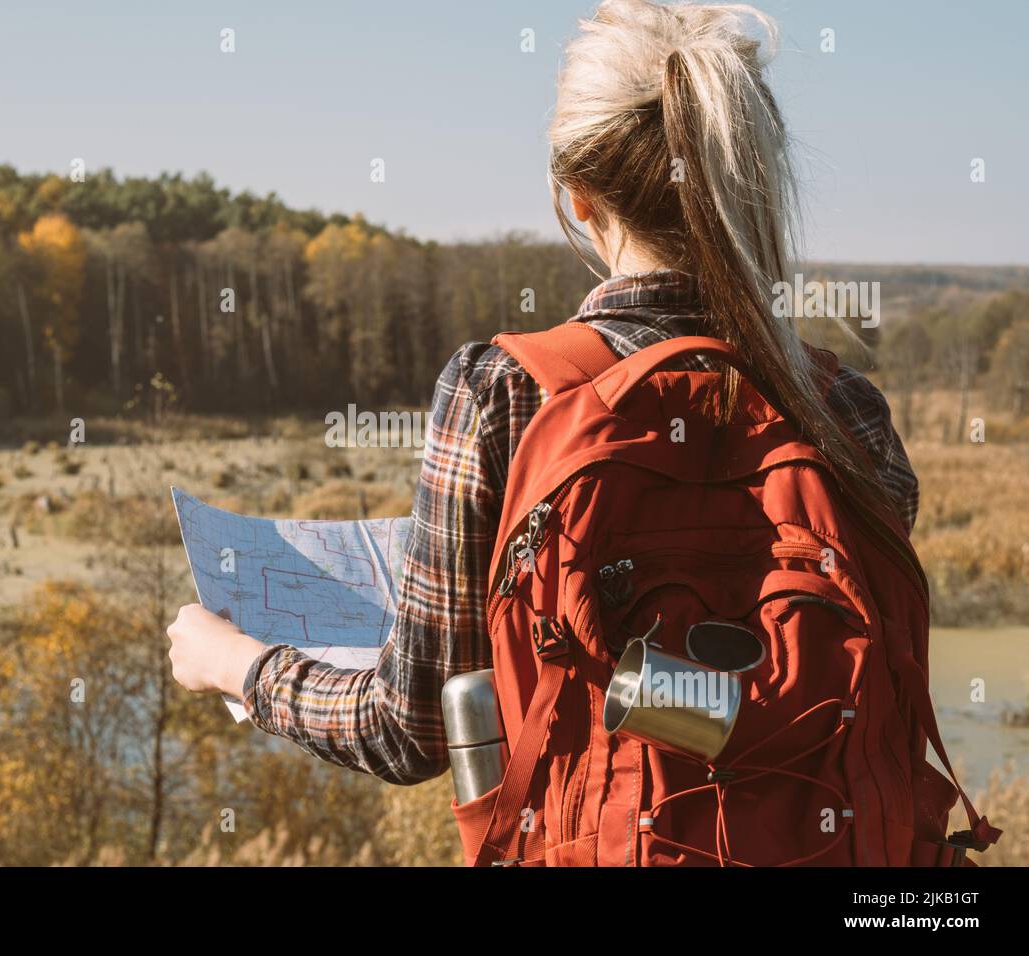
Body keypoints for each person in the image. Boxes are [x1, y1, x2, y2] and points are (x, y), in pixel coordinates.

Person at [166, 0, 918, 791]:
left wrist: (241, 667)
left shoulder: (505, 392)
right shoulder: (847, 412)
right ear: (753, 178)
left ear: (579, 196)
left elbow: (411, 728)